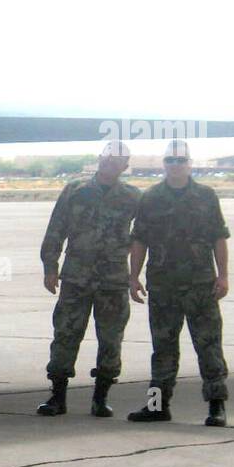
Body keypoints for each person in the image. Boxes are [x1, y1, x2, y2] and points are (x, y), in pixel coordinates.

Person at [126, 139, 231, 426]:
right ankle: (158, 406)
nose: (175, 165)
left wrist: (223, 275)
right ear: (164, 164)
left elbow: (219, 238)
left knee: (208, 345)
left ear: (190, 163)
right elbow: (139, 240)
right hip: (163, 286)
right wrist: (133, 276)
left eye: (180, 160)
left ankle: (216, 407)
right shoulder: (150, 198)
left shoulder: (206, 196)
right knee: (163, 348)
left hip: (201, 285)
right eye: (170, 160)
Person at [36, 139, 141, 417]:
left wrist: (136, 275)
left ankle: (100, 398)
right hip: (76, 278)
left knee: (111, 339)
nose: (110, 162)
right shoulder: (76, 190)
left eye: (117, 159)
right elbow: (56, 228)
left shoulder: (132, 197)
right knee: (66, 335)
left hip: (113, 280)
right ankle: (57, 397)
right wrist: (50, 266)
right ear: (99, 158)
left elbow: (142, 238)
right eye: (107, 156)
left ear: (125, 166)